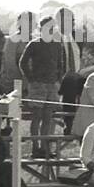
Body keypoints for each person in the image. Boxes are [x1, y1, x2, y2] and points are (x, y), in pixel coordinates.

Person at [19, 16, 64, 155]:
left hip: (51, 85)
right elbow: (23, 62)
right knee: (36, 116)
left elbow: (60, 64)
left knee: (48, 117)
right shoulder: (34, 44)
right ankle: (35, 147)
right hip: (38, 85)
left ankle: (44, 147)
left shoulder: (57, 45)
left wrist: (58, 79)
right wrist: (31, 78)